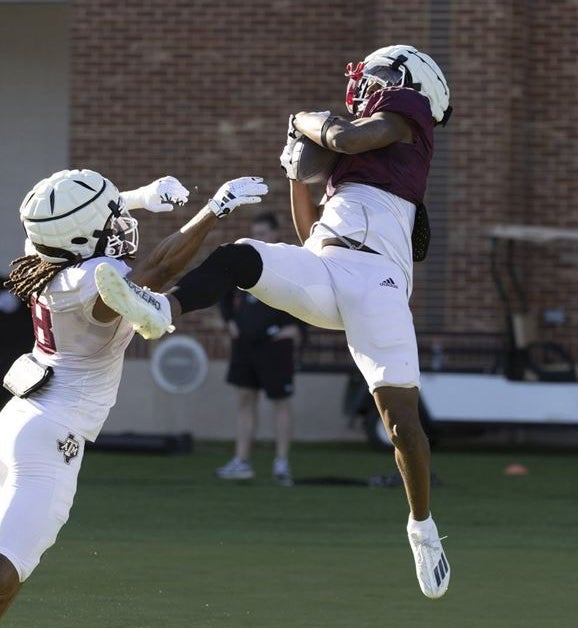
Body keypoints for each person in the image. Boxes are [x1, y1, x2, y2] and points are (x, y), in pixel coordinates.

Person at [95, 44, 453, 599]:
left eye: (375, 74)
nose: (363, 83)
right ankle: (162, 309)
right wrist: (295, 176)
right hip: (326, 266)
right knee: (240, 256)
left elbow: (343, 137)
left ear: (408, 81)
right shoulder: (360, 149)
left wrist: (300, 119)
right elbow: (309, 234)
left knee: (401, 421)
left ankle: (422, 528)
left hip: (377, 282)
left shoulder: (408, 117)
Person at [0, 169, 268, 628]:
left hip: (22, 421)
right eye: (110, 221)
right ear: (81, 239)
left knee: (14, 563)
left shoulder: (44, 256)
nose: (119, 224)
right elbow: (160, 269)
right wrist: (213, 211)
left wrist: (142, 197)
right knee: (2, 569)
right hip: (53, 436)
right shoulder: (94, 281)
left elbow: (66, 223)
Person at [214, 212, 302, 485]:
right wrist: (230, 322)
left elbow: (305, 296)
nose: (259, 239)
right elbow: (224, 291)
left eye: (263, 234)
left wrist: (297, 329)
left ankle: (281, 463)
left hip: (276, 345)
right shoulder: (247, 261)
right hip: (245, 344)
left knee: (280, 401)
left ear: (275, 234)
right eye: (255, 234)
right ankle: (241, 461)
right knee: (244, 399)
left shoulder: (289, 263)